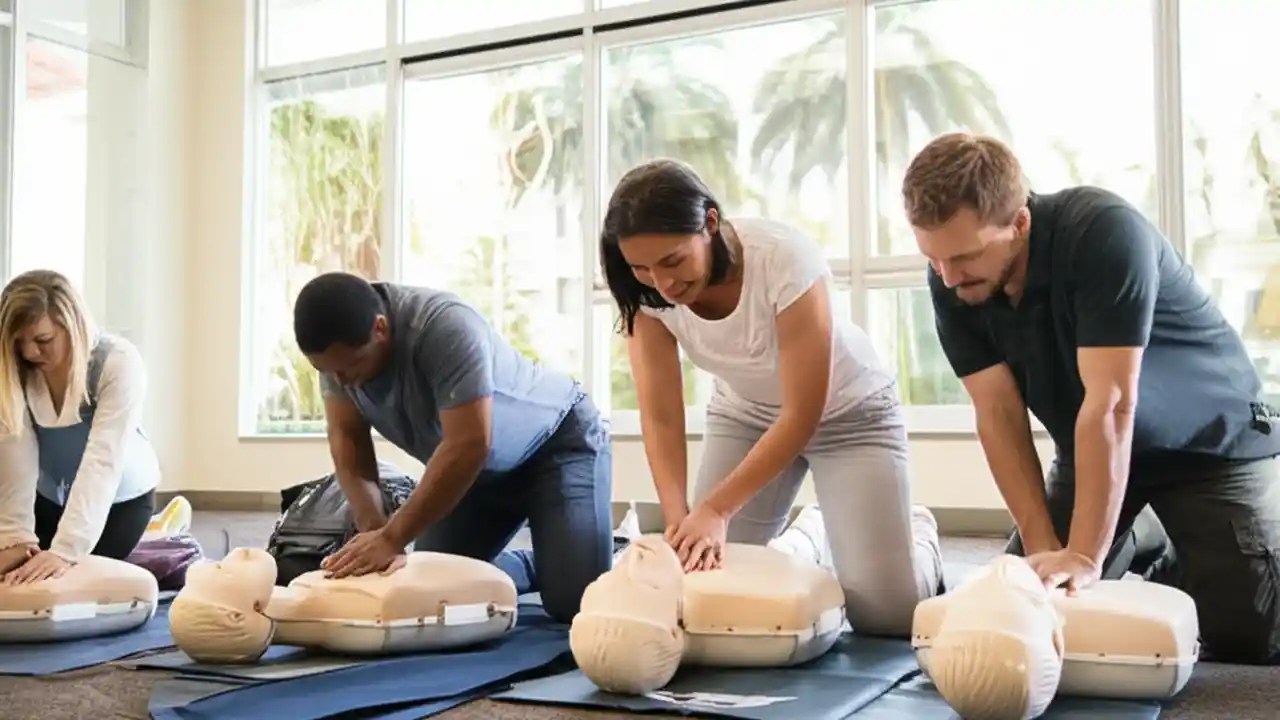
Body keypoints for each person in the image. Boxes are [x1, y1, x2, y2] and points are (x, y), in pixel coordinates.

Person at [907, 131, 1280, 665]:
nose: (946, 276)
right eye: (934, 257)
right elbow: (997, 412)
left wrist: (1083, 554)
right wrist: (1043, 547)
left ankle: (1165, 542)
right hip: (1094, 450)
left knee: (1251, 640)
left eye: (963, 256)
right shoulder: (952, 278)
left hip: (1211, 449)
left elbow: (1111, 404)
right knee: (1027, 605)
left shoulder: (1104, 233)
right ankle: (1141, 531)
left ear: (1020, 222)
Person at [599, 158, 944, 637]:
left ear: (711, 224)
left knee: (886, 616)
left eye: (673, 261)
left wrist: (716, 510)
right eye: (642, 268)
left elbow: (803, 412)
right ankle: (814, 536)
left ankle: (915, 533)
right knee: (709, 582)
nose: (663, 284)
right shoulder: (646, 297)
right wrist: (683, 522)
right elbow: (660, 415)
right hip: (746, 416)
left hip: (851, 416)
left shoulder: (784, 257)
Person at [292, 272, 612, 623]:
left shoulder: (444, 326)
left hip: (557, 445)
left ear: (380, 329)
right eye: (326, 371)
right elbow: (348, 439)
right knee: (425, 594)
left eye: (350, 366)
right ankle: (545, 561)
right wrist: (375, 531)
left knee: (575, 601)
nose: (341, 381)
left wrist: (394, 535)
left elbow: (470, 442)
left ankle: (587, 556)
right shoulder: (340, 357)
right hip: (475, 475)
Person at [0, 270, 160, 585]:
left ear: (71, 325)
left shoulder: (118, 363)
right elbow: (14, 454)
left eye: (43, 340)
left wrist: (66, 549)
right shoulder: (16, 368)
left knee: (74, 580)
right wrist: (14, 537)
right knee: (23, 577)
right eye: (20, 342)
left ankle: (165, 540)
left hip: (121, 499)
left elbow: (102, 461)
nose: (30, 352)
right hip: (48, 498)